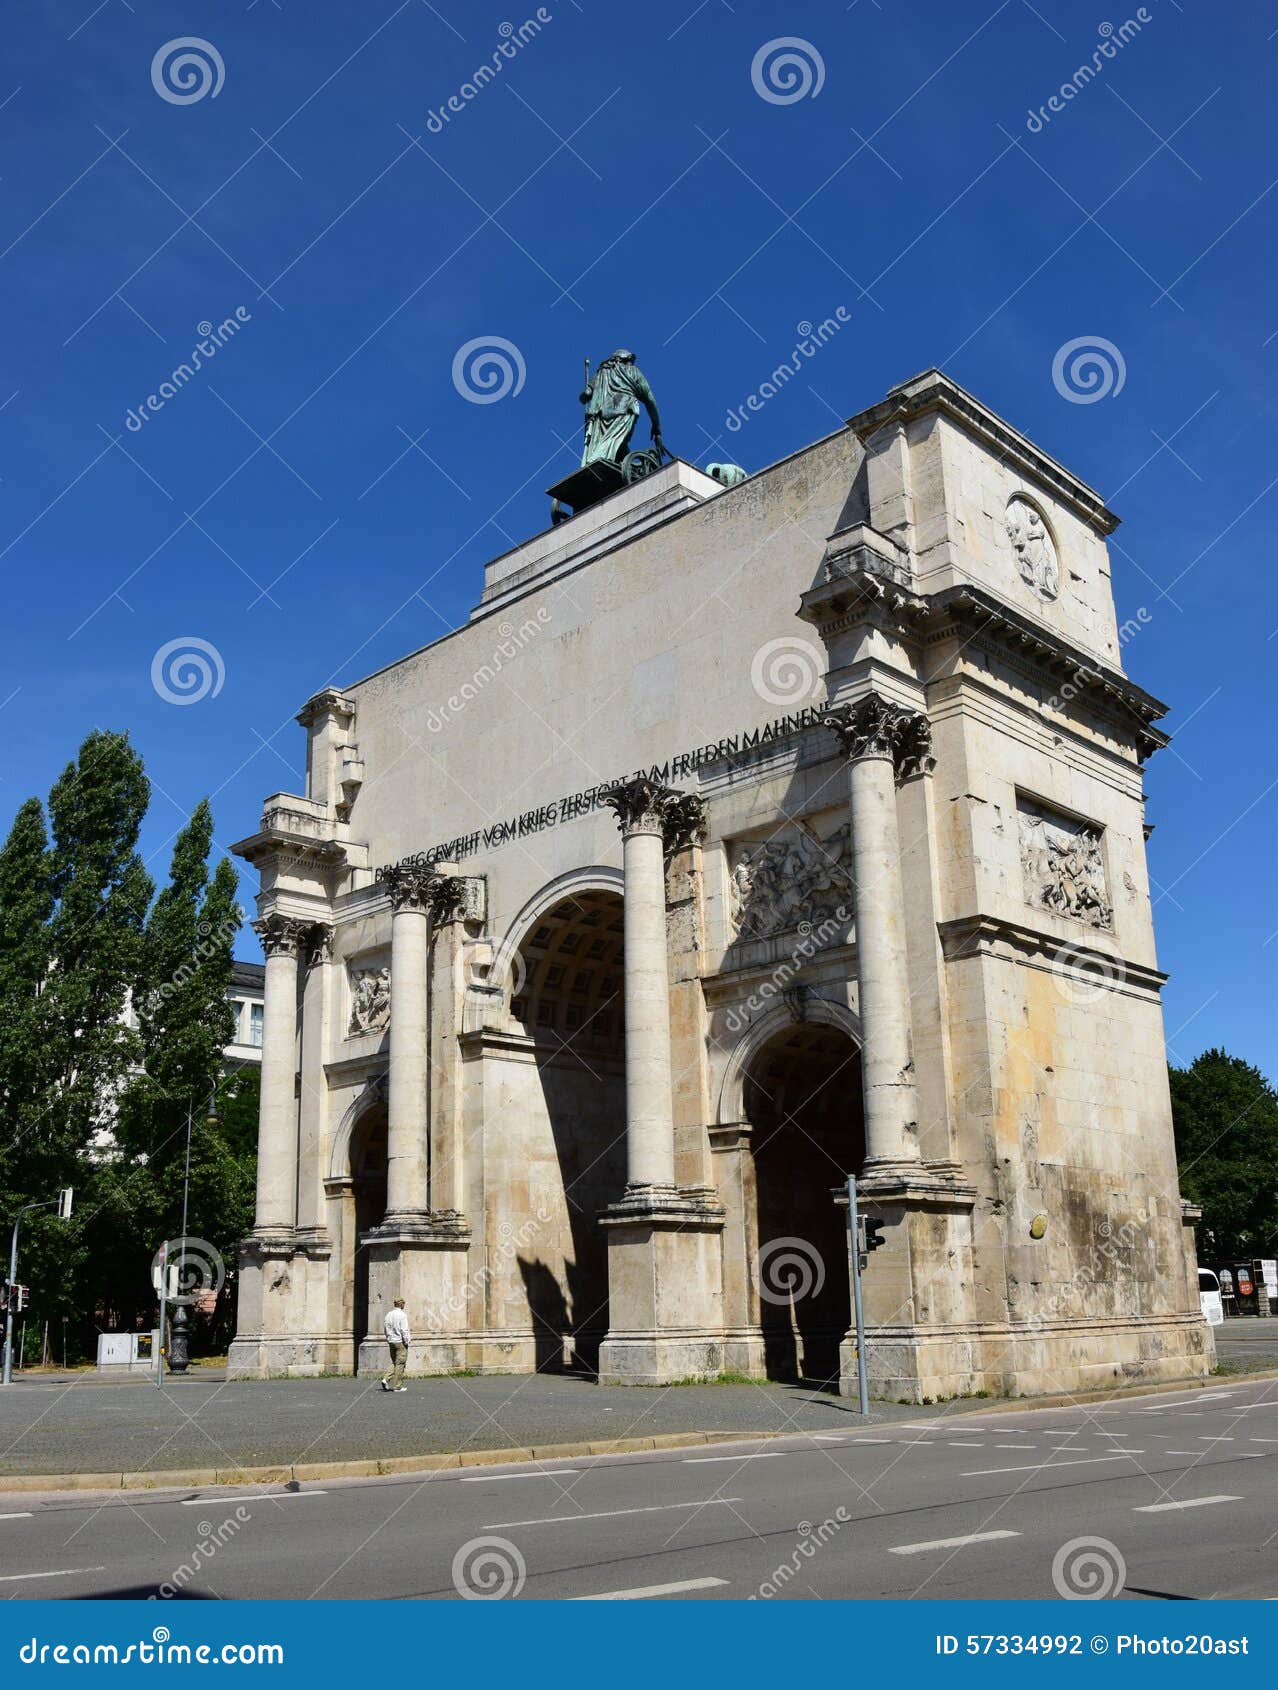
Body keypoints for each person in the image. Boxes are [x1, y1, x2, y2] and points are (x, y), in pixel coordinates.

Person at [381, 1298, 410, 1392]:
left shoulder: (388, 1315)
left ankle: (386, 1379)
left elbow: (385, 1329)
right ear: (401, 1304)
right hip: (400, 1342)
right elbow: (404, 1330)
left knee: (395, 1362)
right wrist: (407, 1341)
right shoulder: (402, 1315)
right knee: (400, 1363)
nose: (404, 1305)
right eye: (403, 1303)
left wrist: (388, 1338)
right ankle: (397, 1386)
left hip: (391, 1341)